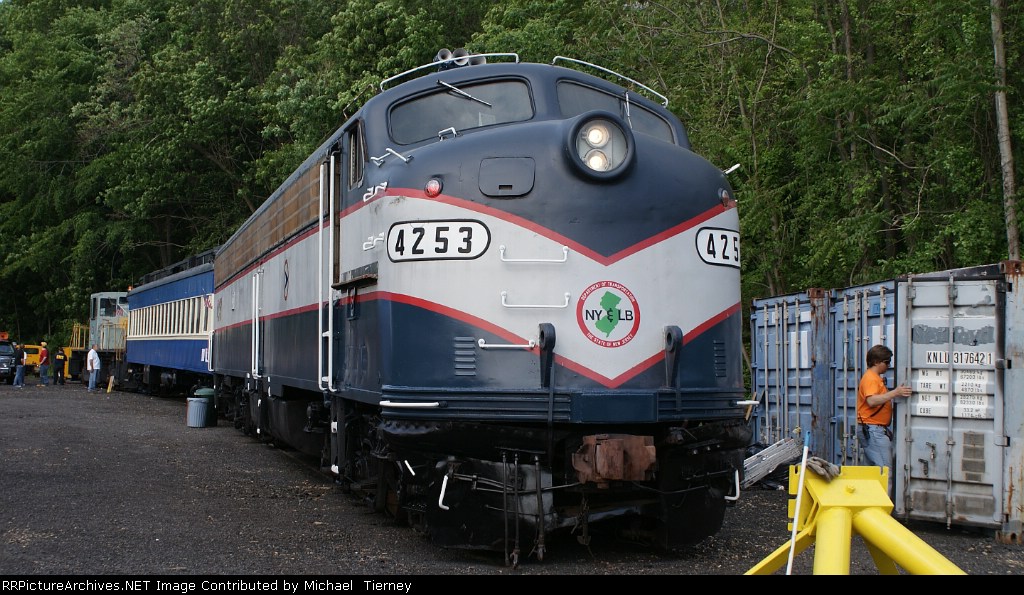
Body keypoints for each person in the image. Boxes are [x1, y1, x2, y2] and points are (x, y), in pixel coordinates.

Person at [857, 344, 912, 477]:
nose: (888, 366)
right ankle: (885, 492)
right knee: (885, 473)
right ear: (876, 362)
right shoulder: (871, 378)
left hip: (871, 430)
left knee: (871, 473)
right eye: (887, 362)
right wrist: (895, 393)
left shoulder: (873, 377)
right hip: (873, 431)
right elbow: (871, 401)